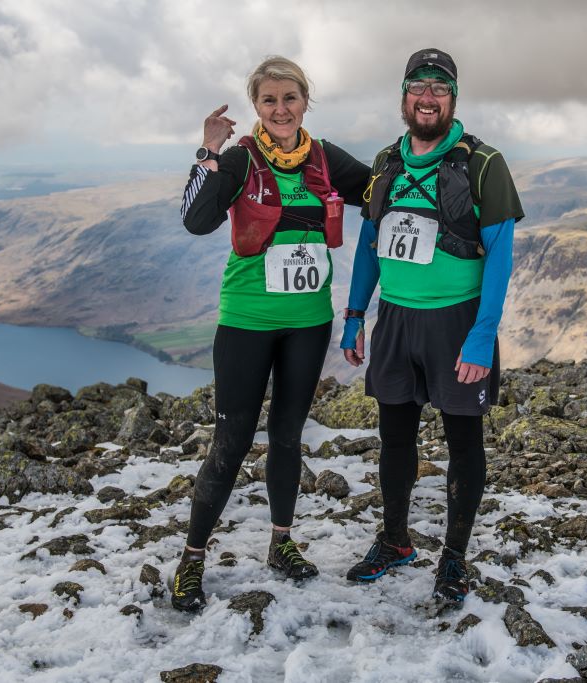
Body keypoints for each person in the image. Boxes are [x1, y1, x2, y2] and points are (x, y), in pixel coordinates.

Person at [172, 56, 369, 612]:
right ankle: (191, 559)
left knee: (287, 435)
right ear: (256, 107)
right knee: (231, 442)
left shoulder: (327, 159)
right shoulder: (239, 159)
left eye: (290, 98)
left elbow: (383, 187)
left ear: (306, 101)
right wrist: (208, 152)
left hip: (309, 322)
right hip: (247, 321)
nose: (280, 109)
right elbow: (196, 219)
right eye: (269, 100)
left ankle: (281, 543)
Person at [340, 48, 523, 604]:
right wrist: (354, 316)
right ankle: (395, 540)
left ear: (453, 99)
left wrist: (482, 336)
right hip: (395, 318)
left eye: (439, 88)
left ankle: (454, 558)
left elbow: (500, 255)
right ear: (403, 96)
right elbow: (371, 245)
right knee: (394, 437)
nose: (427, 97)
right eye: (418, 86)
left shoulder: (483, 163)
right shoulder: (386, 163)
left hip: (457, 320)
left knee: (464, 439)